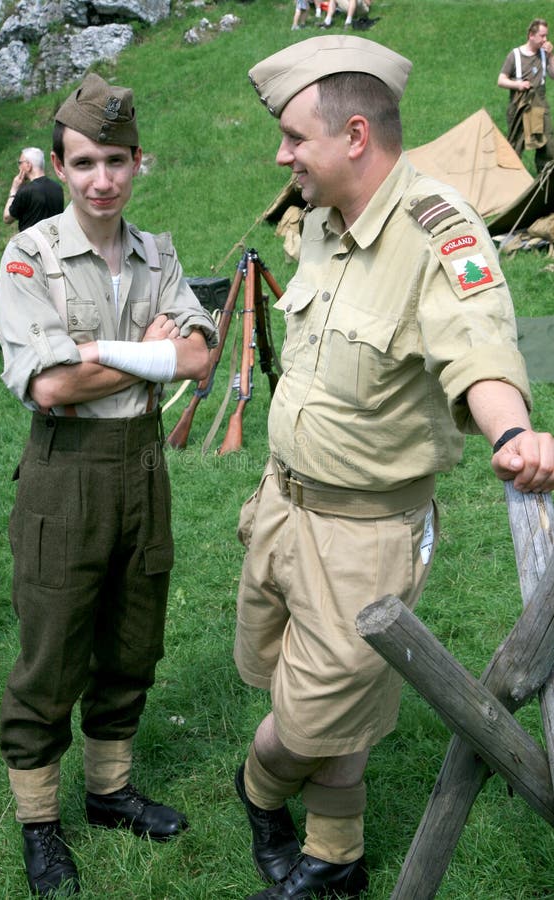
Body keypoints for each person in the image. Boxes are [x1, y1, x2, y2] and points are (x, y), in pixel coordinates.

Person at [233, 35, 554, 900]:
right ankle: (336, 857)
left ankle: (259, 791)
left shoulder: (435, 230)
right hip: (280, 510)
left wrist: (513, 432)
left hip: (364, 532)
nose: (282, 153)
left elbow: (479, 342)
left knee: (303, 720)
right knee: (306, 692)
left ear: (357, 135)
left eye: (296, 137)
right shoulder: (323, 221)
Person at [0, 73, 218, 897]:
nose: (101, 180)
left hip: (141, 472)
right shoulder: (29, 255)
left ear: (137, 162)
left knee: (132, 642)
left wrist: (94, 352)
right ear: (60, 163)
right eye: (84, 162)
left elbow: (197, 357)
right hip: (65, 476)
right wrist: (140, 350)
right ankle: (40, 822)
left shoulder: (158, 253)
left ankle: (111, 791)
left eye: (116, 160)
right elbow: (46, 388)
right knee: (53, 653)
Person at [498, 18, 554, 172]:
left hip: (539, 105)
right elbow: (501, 80)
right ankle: (510, 181)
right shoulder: (515, 55)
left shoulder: (544, 54)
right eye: (542, 36)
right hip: (520, 105)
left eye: (546, 36)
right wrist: (518, 84)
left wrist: (551, 56)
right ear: (531, 35)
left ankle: (544, 182)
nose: (545, 40)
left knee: (547, 147)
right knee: (515, 146)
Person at [3, 146, 64, 231]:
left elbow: (7, 218)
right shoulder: (58, 188)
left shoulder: (26, 191)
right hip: (55, 242)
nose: (19, 167)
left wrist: (14, 190)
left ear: (28, 165)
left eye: (20, 163)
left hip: (31, 243)